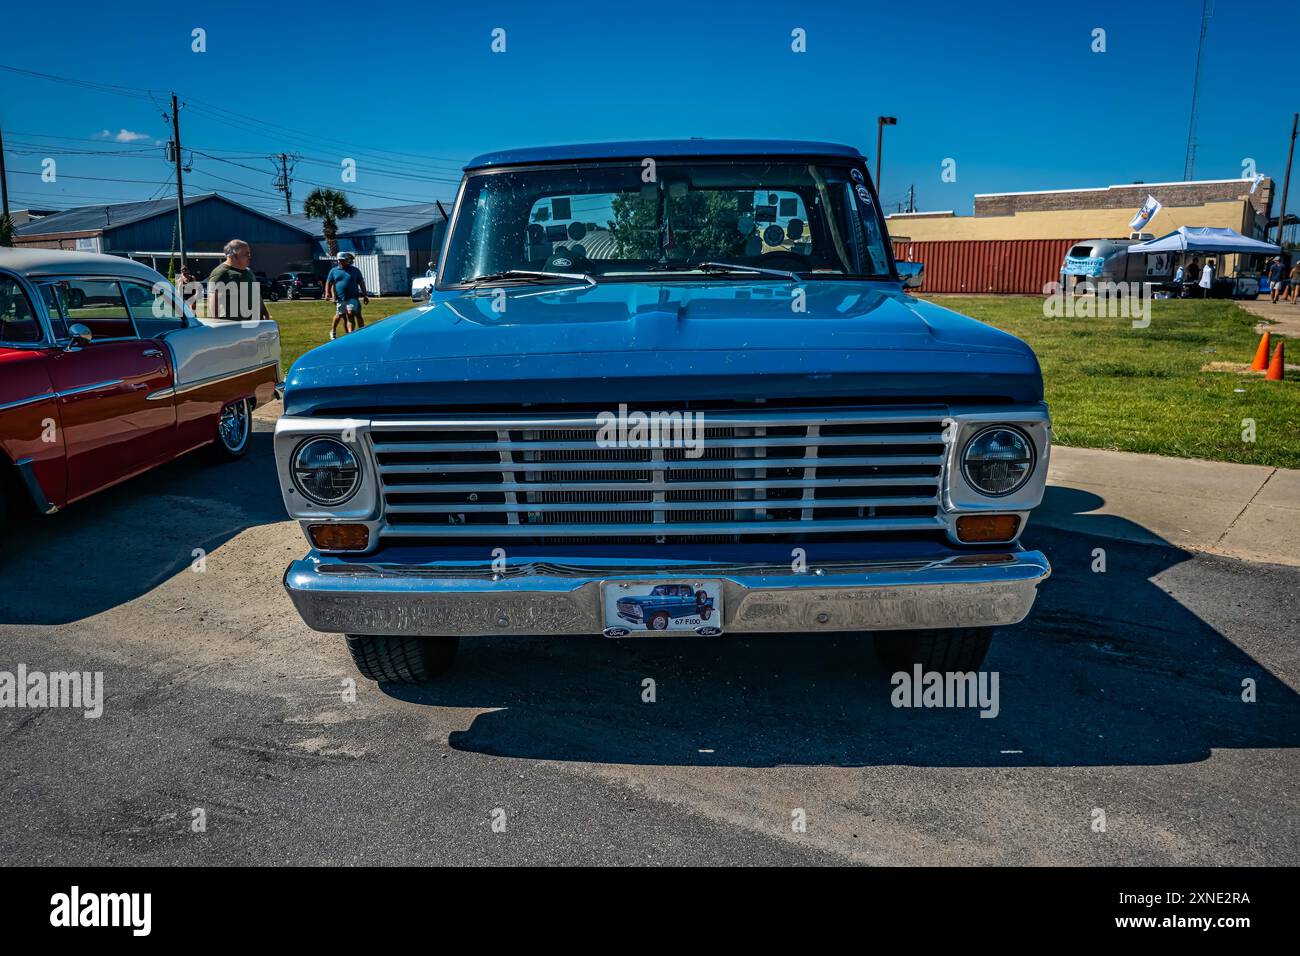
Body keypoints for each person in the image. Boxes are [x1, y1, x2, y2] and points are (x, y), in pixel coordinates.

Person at [206, 240, 271, 322]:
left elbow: (256, 293)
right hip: (234, 327)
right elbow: (213, 301)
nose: (249, 256)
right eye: (246, 254)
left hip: (255, 325)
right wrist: (218, 324)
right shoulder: (220, 273)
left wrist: (264, 311)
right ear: (232, 256)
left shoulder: (248, 271)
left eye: (249, 253)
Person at [324, 251, 370, 339]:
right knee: (340, 315)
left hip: (352, 297)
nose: (340, 262)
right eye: (339, 260)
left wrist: (365, 295)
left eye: (342, 260)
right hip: (340, 298)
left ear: (346, 260)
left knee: (350, 313)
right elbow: (329, 282)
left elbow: (361, 282)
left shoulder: (355, 270)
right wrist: (327, 293)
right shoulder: (333, 271)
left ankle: (351, 335)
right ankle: (333, 330)